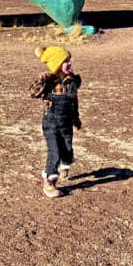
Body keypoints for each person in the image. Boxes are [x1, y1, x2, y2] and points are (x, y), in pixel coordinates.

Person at [29, 45, 82, 198]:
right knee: (55, 152)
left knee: (67, 147)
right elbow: (33, 93)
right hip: (51, 124)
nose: (70, 64)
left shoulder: (70, 82)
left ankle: (65, 165)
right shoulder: (48, 83)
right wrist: (41, 79)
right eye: (66, 61)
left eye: (69, 60)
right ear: (57, 64)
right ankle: (49, 183)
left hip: (66, 123)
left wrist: (76, 118)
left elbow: (73, 101)